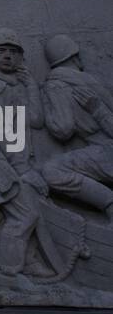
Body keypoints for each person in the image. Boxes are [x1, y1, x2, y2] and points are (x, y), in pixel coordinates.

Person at [0, 29, 80, 280]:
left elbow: (35, 120)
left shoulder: (12, 85)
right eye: (1, 50)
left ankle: (29, 262)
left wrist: (30, 85)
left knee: (31, 210)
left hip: (19, 162)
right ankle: (9, 275)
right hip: (0, 164)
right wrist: (19, 171)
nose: (7, 56)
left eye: (13, 52)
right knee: (26, 214)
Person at [40, 35, 113, 215]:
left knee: (52, 171)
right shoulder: (92, 82)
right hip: (103, 151)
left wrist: (97, 110)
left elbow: (63, 130)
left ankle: (109, 202)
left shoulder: (56, 87)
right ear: (74, 57)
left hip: (107, 152)